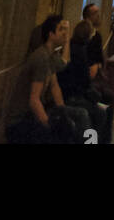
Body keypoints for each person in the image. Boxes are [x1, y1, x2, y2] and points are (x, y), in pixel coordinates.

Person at [5, 15, 90, 144]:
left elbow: (55, 84)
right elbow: (34, 100)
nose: (65, 33)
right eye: (61, 29)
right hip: (20, 121)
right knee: (65, 131)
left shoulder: (50, 55)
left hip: (35, 114)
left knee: (79, 116)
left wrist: (63, 113)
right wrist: (49, 126)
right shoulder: (41, 58)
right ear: (51, 34)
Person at [57, 19, 113, 143]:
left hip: (75, 92)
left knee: (103, 103)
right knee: (100, 112)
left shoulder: (74, 47)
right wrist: (95, 97)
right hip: (74, 96)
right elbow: (84, 81)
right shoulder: (79, 51)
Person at [80, 3, 114, 120]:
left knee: (109, 98)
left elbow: (99, 58)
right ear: (87, 17)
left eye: (98, 12)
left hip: (96, 77)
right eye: (95, 13)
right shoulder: (83, 35)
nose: (98, 15)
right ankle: (92, 136)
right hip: (86, 79)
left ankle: (103, 136)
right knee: (101, 100)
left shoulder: (97, 36)